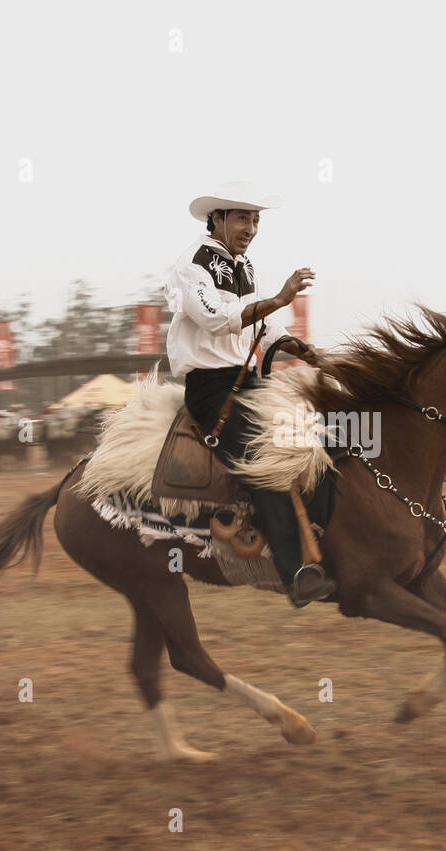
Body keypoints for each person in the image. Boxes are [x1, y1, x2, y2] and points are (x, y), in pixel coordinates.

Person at [164, 181, 335, 607]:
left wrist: (314, 357)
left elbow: (266, 329)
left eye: (256, 219)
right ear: (217, 218)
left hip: (247, 384)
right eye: (243, 218)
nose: (252, 228)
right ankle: (295, 573)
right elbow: (215, 320)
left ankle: (327, 543)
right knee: (266, 464)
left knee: (322, 438)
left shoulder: (245, 266)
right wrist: (280, 298)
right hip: (210, 391)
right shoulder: (192, 265)